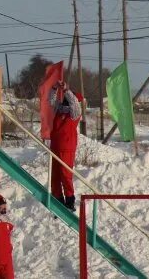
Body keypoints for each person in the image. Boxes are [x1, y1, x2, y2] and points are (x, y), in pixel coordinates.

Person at [49, 80, 82, 210]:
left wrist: (66, 90)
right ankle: (57, 198)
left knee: (65, 174)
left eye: (67, 98)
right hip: (55, 146)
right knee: (56, 175)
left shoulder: (74, 113)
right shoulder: (59, 110)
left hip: (67, 148)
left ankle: (70, 200)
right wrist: (54, 87)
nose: (65, 100)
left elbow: (74, 103)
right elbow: (51, 101)